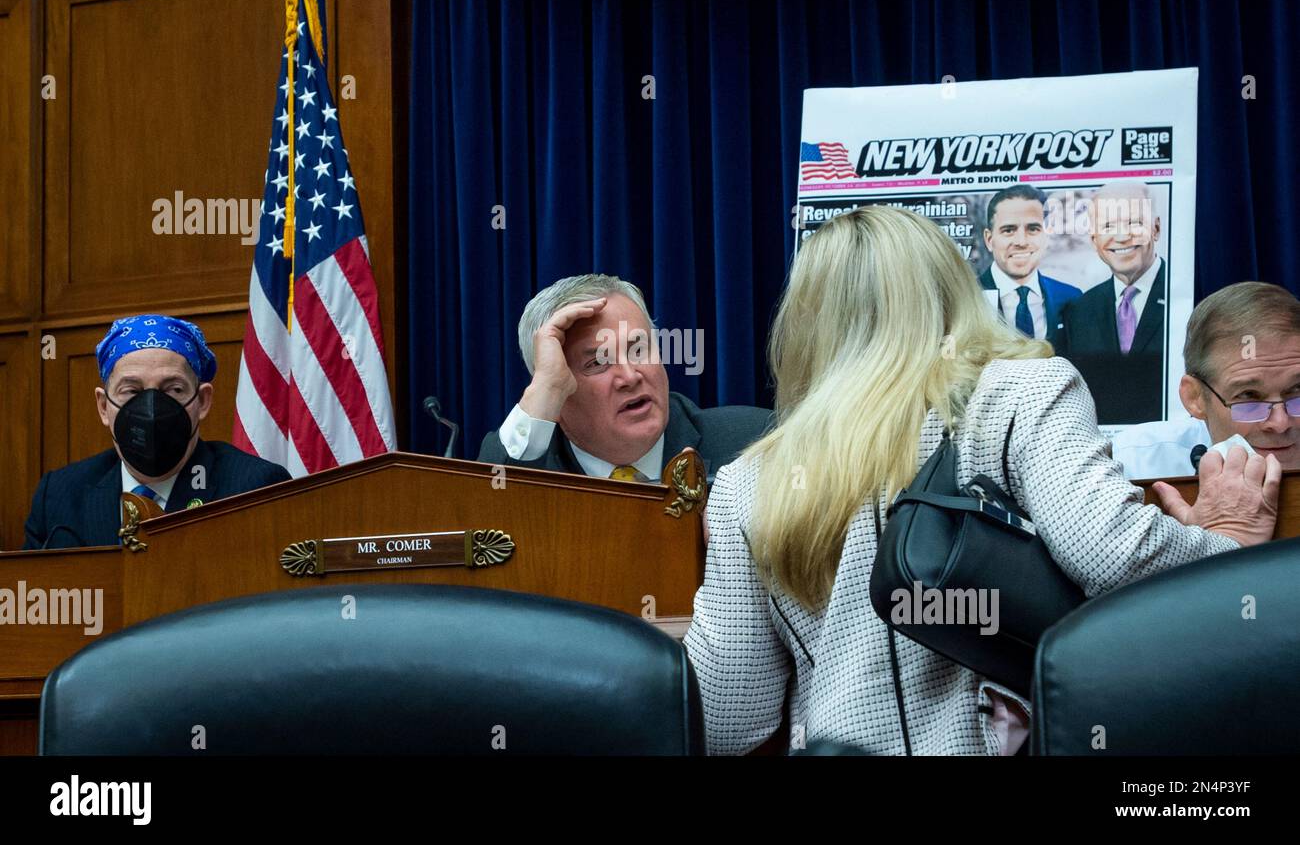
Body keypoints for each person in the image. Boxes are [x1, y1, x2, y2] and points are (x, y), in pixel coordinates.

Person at [683, 206, 1280, 756]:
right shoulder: (1017, 394)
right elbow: (1111, 551)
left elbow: (728, 716)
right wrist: (1225, 546)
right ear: (951, 291)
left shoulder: (749, 480)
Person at [23, 315, 292, 550]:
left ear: (202, 401)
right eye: (132, 391)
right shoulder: (60, 496)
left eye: (173, 390)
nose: (151, 407)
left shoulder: (254, 489)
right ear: (104, 407)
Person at [477, 274, 770, 482]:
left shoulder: (755, 443)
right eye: (598, 363)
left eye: (639, 349)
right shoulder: (527, 471)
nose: (629, 377)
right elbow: (483, 524)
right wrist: (543, 390)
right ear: (558, 388)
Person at [1113, 282, 1300, 479]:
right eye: (1249, 395)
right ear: (1195, 398)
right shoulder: (1132, 464)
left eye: (1297, 390)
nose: (1280, 423)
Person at [1059, 182, 1166, 424]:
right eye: (1108, 226)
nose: (1121, 236)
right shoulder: (1079, 311)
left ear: (1156, 228)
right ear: (1094, 239)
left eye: (1134, 223)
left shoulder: (1185, 295)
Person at [978, 184, 1081, 349]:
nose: (1021, 242)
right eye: (1008, 230)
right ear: (989, 240)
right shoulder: (966, 296)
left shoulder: (1071, 298)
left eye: (1033, 229)